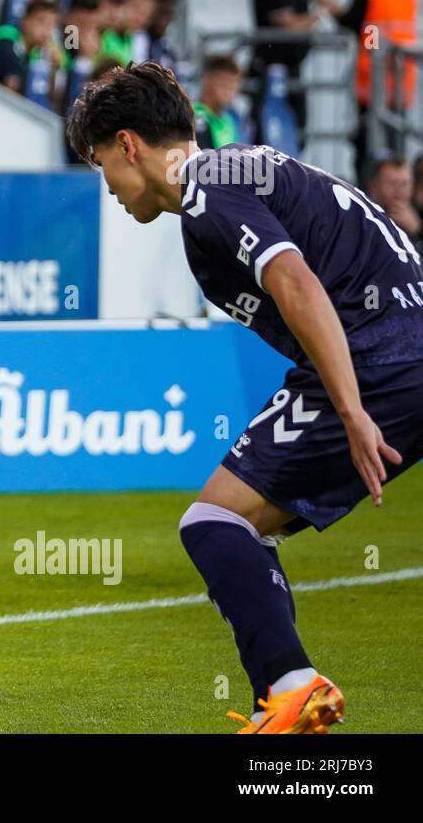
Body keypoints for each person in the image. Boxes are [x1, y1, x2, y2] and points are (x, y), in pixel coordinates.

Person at [67, 62, 423, 734]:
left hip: (375, 359)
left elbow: (294, 279)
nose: (108, 187)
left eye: (99, 163)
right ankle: (289, 693)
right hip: (403, 349)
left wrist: (349, 408)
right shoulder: (244, 169)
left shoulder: (206, 189)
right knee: (243, 528)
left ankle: (292, 690)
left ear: (129, 145)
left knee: (212, 523)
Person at [249, 0, 341, 146]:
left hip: (294, 69)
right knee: (268, 137)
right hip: (269, 71)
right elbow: (289, 26)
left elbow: (332, 4)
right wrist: (318, 16)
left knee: (299, 134)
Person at [336, 0, 417, 184]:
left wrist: (330, 8)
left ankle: (366, 195)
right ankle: (396, 191)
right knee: (397, 145)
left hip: (369, 83)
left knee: (366, 148)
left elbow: (351, 24)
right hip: (402, 84)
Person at [362, 155, 421, 252]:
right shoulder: (363, 219)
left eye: (405, 184)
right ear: (373, 187)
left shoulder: (419, 214)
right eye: (392, 184)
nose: (400, 192)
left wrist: (417, 232)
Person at [193, 55, 245, 149]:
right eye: (225, 84)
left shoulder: (230, 120)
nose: (229, 92)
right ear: (207, 81)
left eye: (233, 86)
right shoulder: (192, 116)